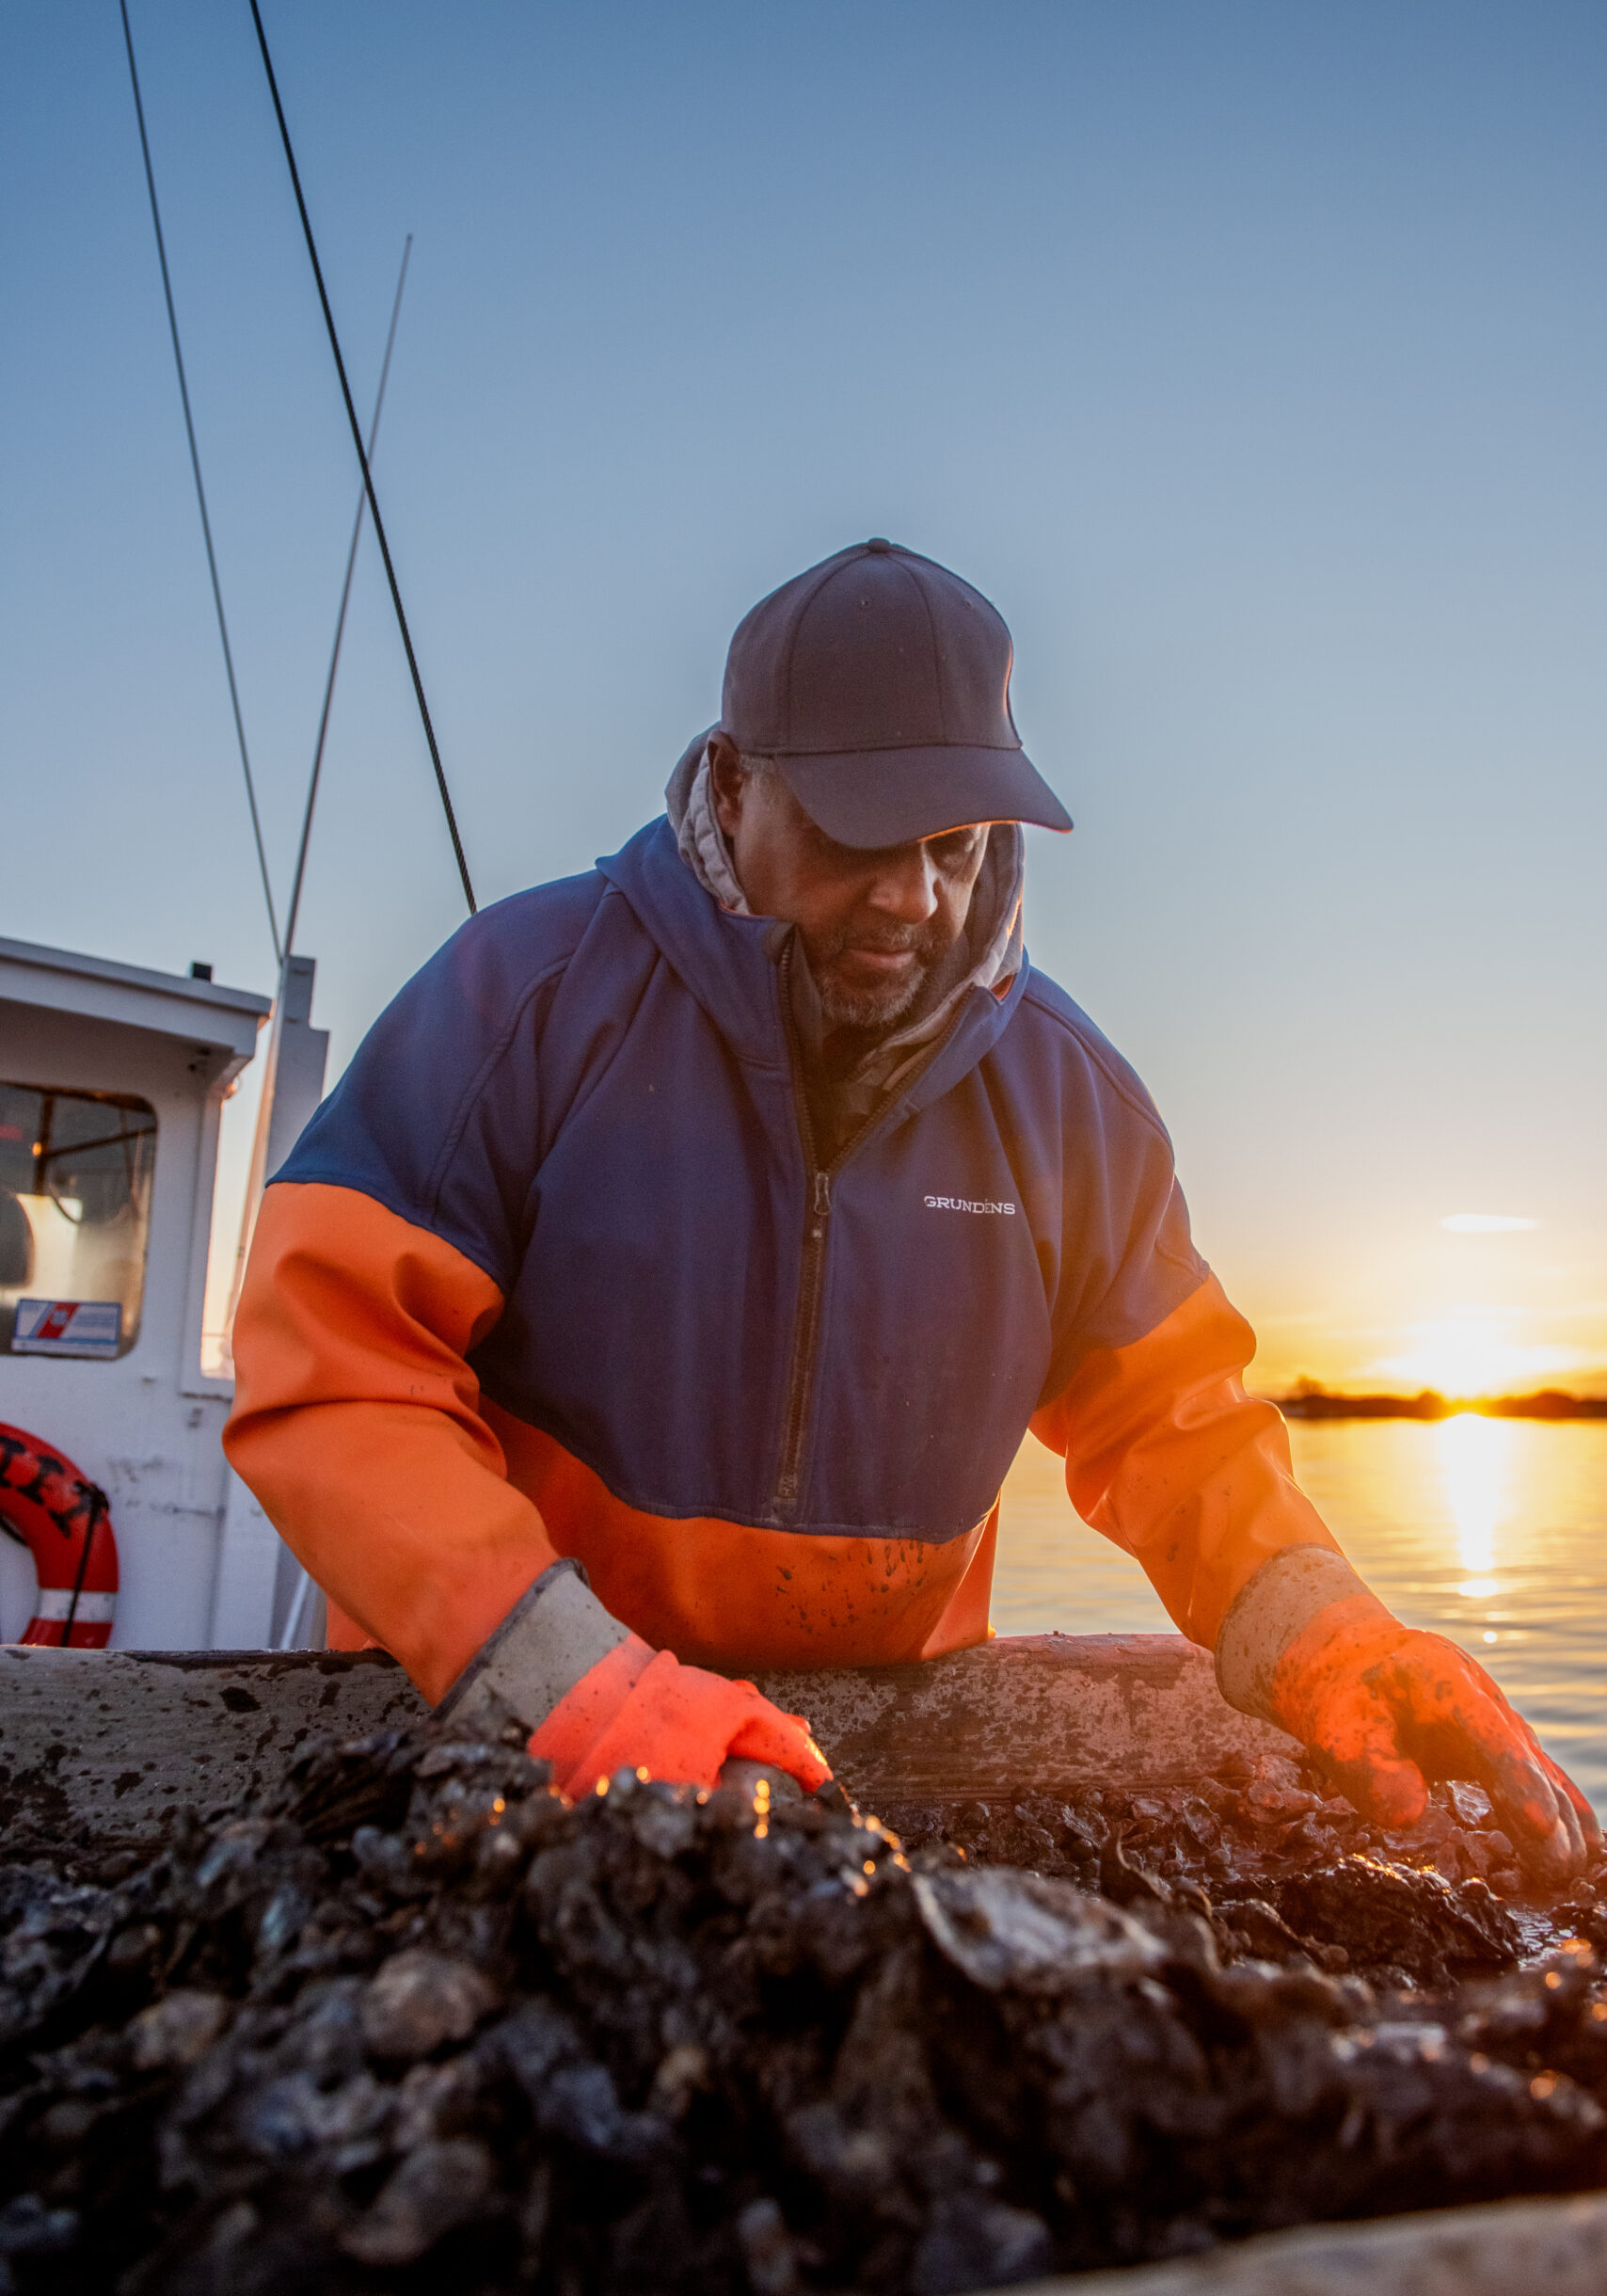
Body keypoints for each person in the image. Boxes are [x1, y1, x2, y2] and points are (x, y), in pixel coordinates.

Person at [227, 538, 1597, 1883]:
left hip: (871, 1796)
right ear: (731, 785)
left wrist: (1325, 1630)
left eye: (954, 842)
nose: (912, 895)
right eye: (857, 834)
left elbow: (1176, 1429)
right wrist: (570, 1684)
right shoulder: (519, 999)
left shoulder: (1069, 1101)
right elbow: (333, 1371)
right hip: (495, 1746)